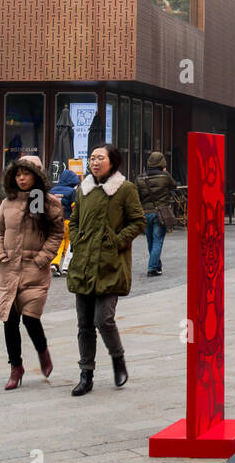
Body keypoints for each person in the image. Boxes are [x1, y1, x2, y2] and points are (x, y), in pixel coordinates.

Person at [66, 144, 145, 396]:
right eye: (92, 158)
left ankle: (117, 358)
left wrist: (117, 242)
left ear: (113, 162)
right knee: (84, 324)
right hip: (83, 264)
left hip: (111, 265)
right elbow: (75, 220)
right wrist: (77, 240)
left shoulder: (125, 189)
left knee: (103, 319)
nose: (95, 162)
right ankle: (85, 373)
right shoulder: (84, 189)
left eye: (100, 158)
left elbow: (138, 221)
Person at [0, 156, 63, 390]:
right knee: (9, 320)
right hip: (9, 269)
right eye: (18, 174)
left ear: (37, 176)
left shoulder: (46, 202)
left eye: (26, 174)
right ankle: (16, 367)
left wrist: (42, 258)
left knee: (31, 318)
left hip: (34, 269)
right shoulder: (7, 202)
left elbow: (56, 234)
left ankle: (43, 352)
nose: (21, 178)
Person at [135, 150, 178, 276]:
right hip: (161, 213)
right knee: (158, 240)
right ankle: (152, 267)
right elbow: (174, 186)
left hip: (145, 213)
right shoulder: (165, 176)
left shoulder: (140, 178)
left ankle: (156, 266)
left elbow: (136, 196)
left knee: (150, 241)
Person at [49, 168, 80, 276]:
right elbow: (74, 208)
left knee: (58, 243)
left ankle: (55, 263)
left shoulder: (52, 190)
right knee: (69, 243)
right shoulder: (72, 191)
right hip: (67, 221)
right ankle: (67, 267)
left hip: (54, 221)